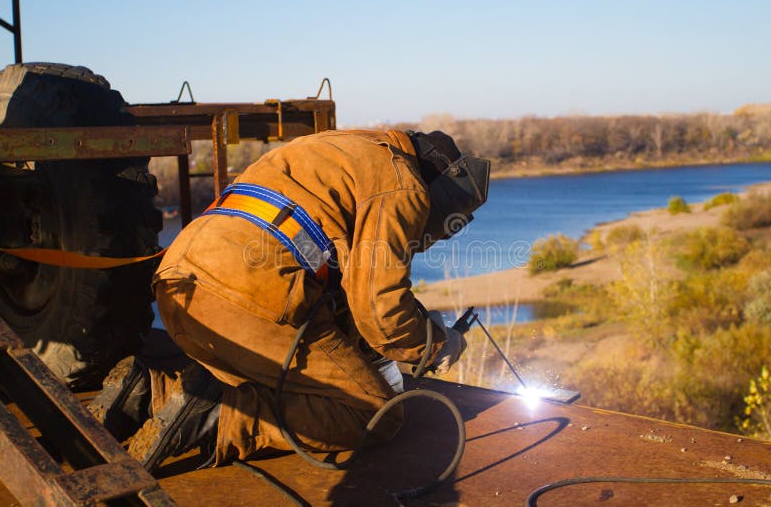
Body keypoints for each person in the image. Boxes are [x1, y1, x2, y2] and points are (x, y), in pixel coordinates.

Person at [89, 129, 490, 471]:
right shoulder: (404, 186)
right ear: (438, 183)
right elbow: (378, 309)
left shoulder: (349, 148)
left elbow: (346, 282)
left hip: (180, 288)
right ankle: (219, 418)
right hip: (246, 298)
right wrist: (436, 344)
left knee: (277, 383)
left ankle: (146, 391)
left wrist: (406, 324)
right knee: (374, 413)